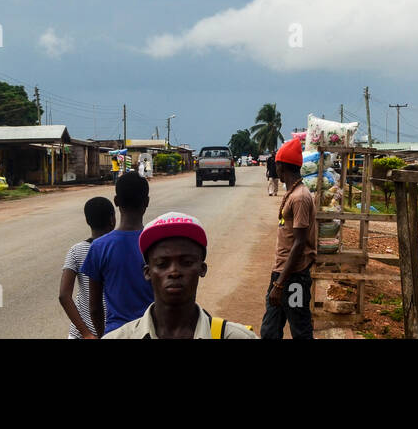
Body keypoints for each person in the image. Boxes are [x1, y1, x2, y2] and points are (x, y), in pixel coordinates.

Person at [105, 212, 256, 339]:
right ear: (148, 272)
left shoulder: (235, 336)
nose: (174, 272)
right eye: (162, 264)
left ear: (202, 269)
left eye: (186, 262)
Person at [81, 170, 151, 336]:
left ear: (116, 201)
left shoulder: (99, 246)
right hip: (152, 330)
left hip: (116, 331)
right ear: (147, 202)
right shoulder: (154, 243)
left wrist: (103, 334)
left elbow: (95, 307)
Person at [261, 136, 317, 339]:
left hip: (293, 278)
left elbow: (300, 243)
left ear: (280, 166)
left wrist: (280, 284)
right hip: (282, 273)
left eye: (276, 164)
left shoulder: (300, 197)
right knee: (269, 330)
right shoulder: (293, 194)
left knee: (300, 330)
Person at [58, 196, 115, 339]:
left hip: (80, 333)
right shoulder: (116, 249)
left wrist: (86, 333)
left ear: (87, 221)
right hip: (112, 331)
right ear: (112, 220)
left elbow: (64, 295)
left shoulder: (76, 250)